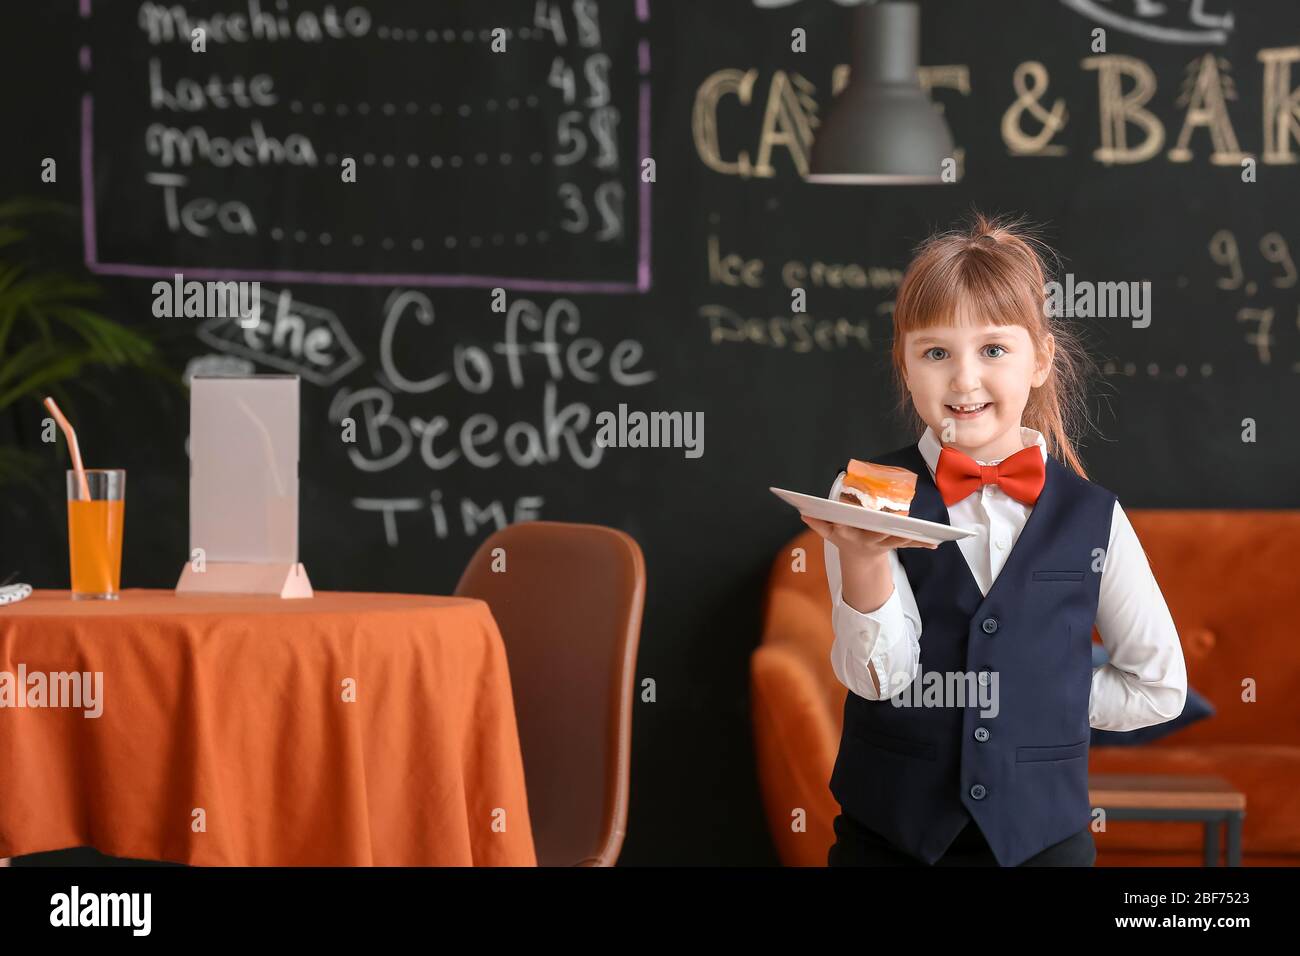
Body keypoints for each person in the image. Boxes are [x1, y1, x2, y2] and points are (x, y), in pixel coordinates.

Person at [801, 212, 1187, 867]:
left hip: (1043, 844)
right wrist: (862, 558)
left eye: (993, 349)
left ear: (1040, 359)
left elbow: (1158, 686)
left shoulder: (1095, 517)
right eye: (936, 352)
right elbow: (880, 680)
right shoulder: (865, 498)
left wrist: (1036, 694)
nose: (964, 380)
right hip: (890, 840)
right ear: (905, 365)